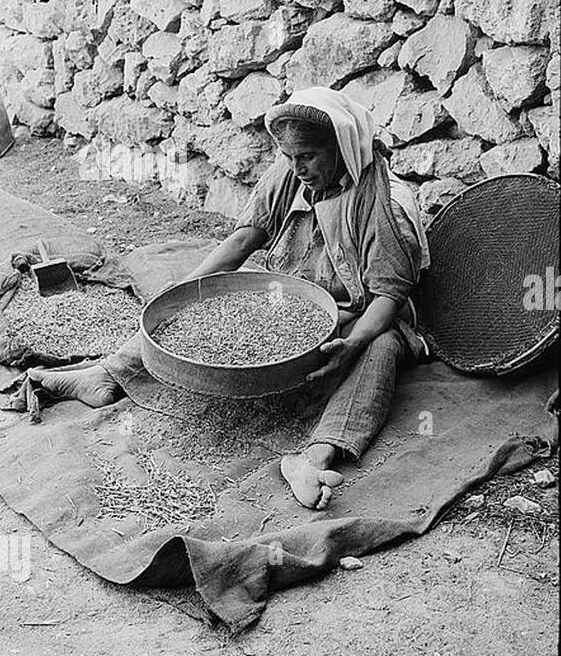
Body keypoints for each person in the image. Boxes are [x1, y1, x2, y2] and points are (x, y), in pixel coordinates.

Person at [27, 86, 430, 511]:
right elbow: (242, 241)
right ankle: (109, 373)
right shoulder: (289, 173)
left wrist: (351, 344)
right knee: (211, 299)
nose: (299, 168)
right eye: (291, 157)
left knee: (380, 347)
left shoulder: (385, 202)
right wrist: (185, 291)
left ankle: (312, 458)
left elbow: (387, 295)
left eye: (309, 156)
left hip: (361, 312)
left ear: (342, 148)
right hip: (292, 292)